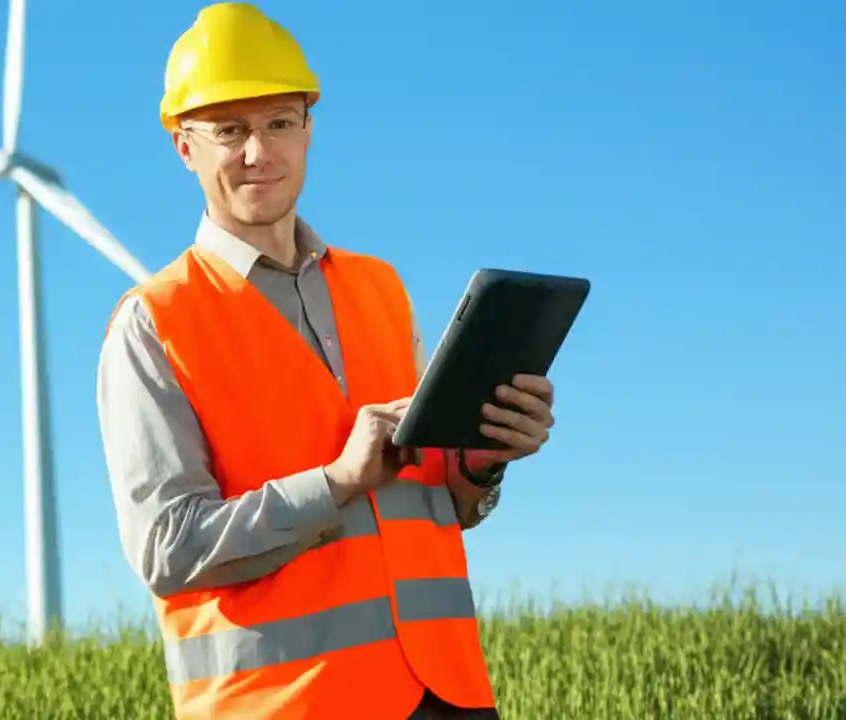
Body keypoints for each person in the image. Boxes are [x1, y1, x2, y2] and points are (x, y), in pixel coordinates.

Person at [96, 3, 557, 718]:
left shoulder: (381, 288)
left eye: (280, 122)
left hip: (448, 692)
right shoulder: (154, 322)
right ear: (184, 147)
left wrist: (485, 460)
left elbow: (436, 506)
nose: (259, 152)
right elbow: (167, 548)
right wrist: (336, 481)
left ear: (309, 127)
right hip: (283, 706)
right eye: (230, 131)